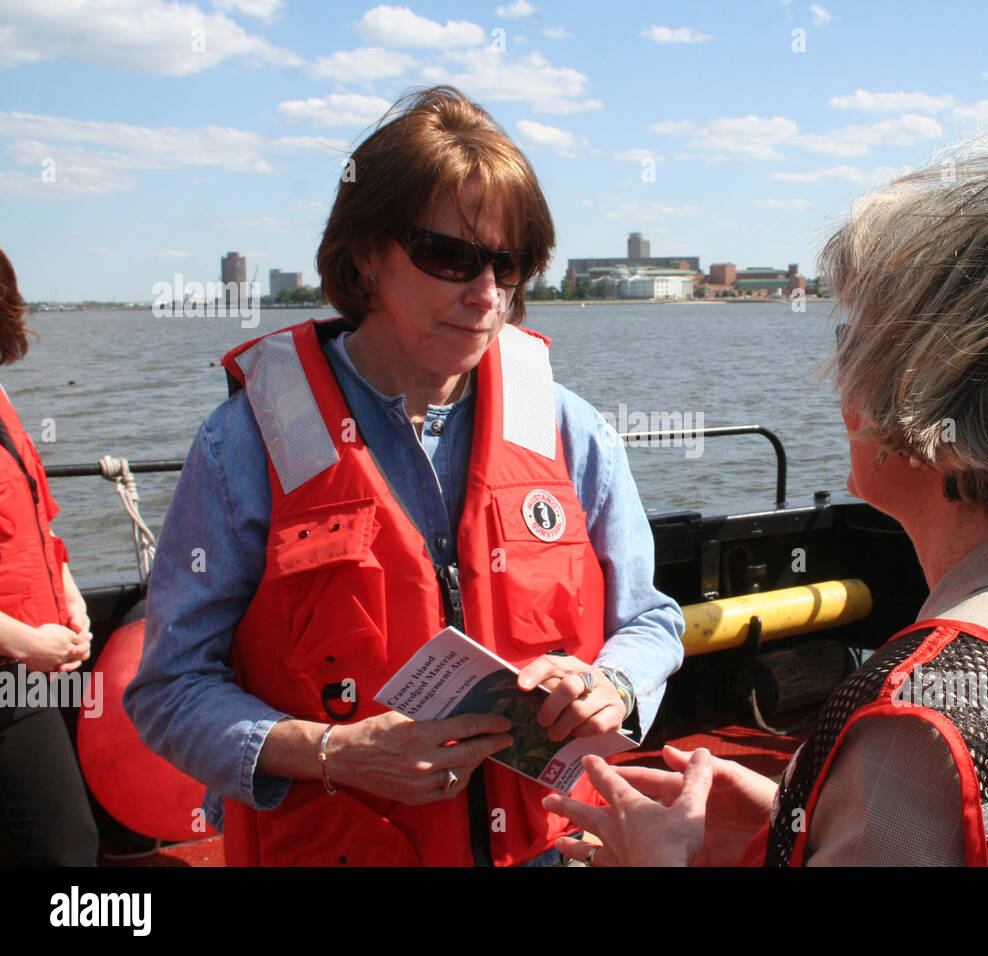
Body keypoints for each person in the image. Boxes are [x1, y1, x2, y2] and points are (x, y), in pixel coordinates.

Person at [543, 154, 988, 867]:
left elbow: (945, 798)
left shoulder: (919, 724)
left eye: (856, 341)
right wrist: (802, 820)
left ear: (936, 401)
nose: (841, 376)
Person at [125, 86, 684, 867]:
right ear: (365, 257)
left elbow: (652, 621)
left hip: (551, 851)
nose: (487, 295)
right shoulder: (245, 447)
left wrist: (612, 686)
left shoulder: (571, 430)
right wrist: (330, 751)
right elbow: (169, 691)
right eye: (450, 256)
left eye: (509, 264)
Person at [0, 248, 98, 865]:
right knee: (64, 849)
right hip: (13, 668)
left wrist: (71, 595)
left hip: (30, 671)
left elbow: (36, 520)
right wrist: (25, 643)